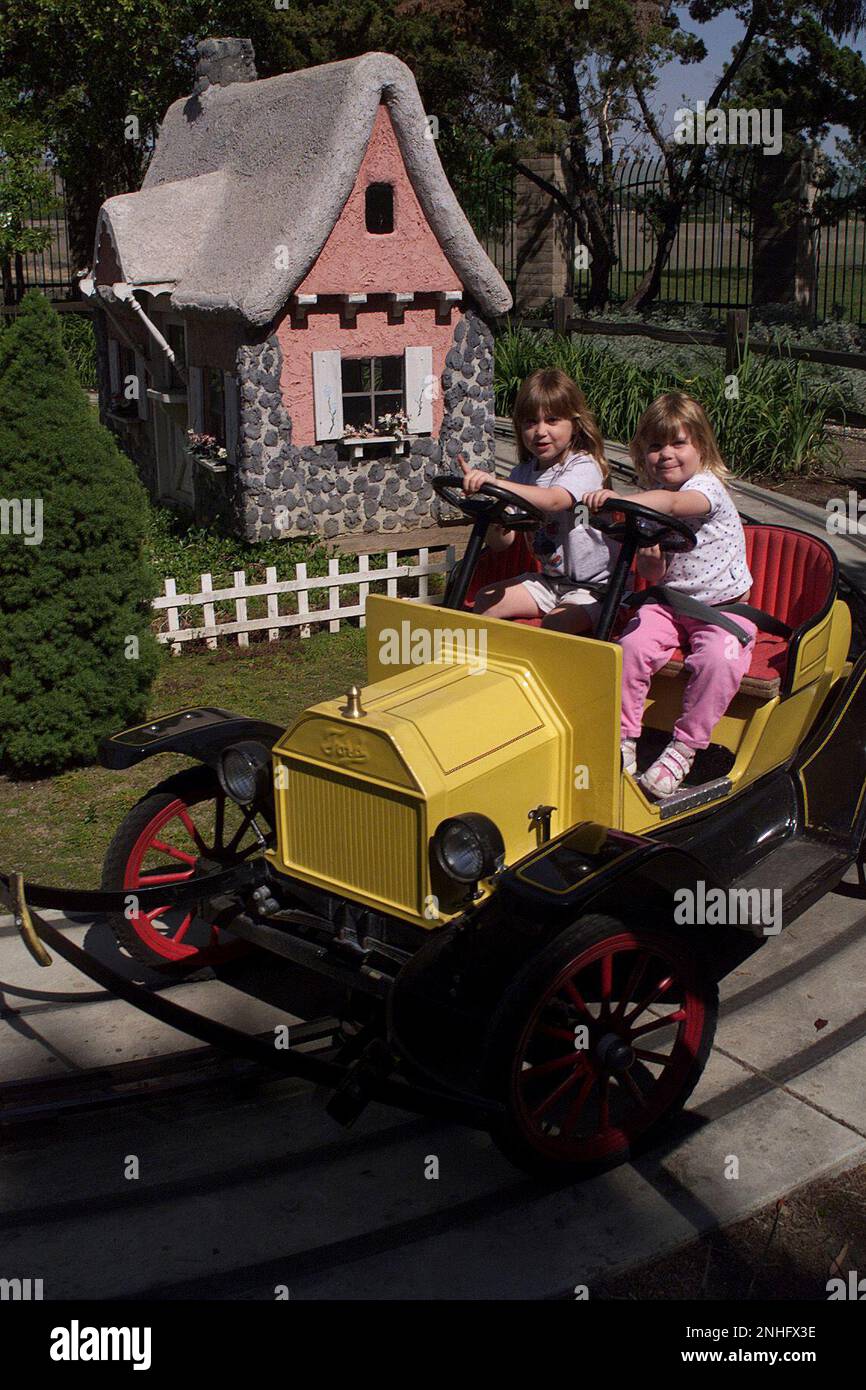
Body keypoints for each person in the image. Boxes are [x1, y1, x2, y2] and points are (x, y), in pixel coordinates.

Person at [583, 392, 756, 798]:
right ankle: (624, 736)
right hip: (671, 605)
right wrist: (649, 558)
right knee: (631, 646)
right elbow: (654, 573)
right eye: (656, 446)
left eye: (678, 443)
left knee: (720, 660)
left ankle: (685, 747)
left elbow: (675, 504)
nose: (666, 455)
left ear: (701, 447)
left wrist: (620, 500)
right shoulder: (654, 499)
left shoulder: (705, 488)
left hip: (722, 609)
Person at [462, 368, 615, 635]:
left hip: (595, 589)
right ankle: (483, 659)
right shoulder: (522, 474)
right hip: (549, 581)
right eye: (531, 422)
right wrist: (490, 516)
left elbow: (555, 500)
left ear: (575, 424)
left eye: (552, 420)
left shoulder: (583, 465)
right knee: (485, 600)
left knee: (556, 624)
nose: (540, 431)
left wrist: (496, 483)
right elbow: (503, 542)